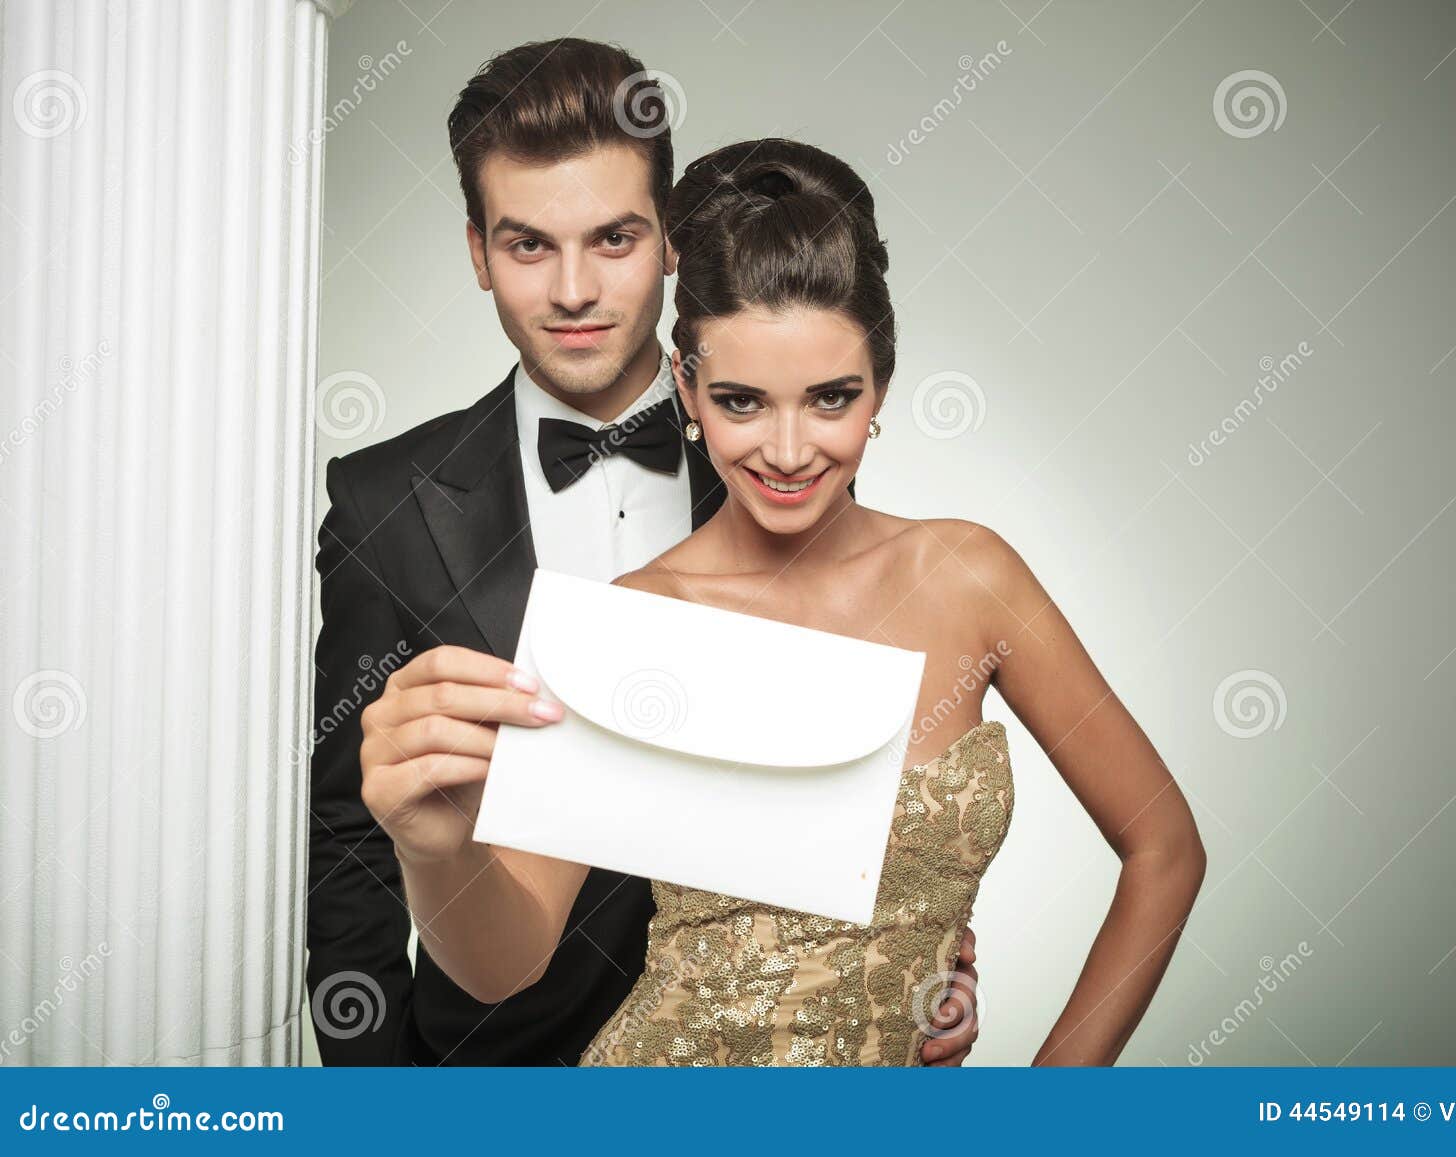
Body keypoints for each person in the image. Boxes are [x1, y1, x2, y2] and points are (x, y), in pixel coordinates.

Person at [361, 137, 1208, 1065]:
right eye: (743, 401)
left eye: (831, 398)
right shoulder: (636, 618)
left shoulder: (969, 575)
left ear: (881, 384)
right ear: (687, 387)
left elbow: (1164, 848)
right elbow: (505, 965)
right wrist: (434, 849)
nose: (791, 450)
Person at [307, 38, 980, 1066]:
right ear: (478, 251)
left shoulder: (779, 460)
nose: (574, 289)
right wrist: (374, 1105)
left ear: (669, 238)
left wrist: (920, 963)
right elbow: (350, 836)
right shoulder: (380, 502)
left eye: (613, 238)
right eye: (528, 245)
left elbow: (851, 783)